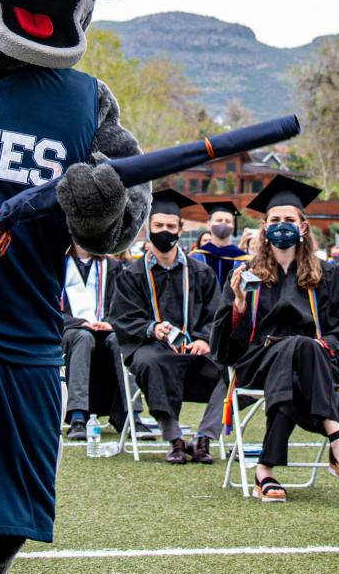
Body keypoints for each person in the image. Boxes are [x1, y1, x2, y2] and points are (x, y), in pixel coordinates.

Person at [213, 176, 339, 502]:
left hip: (311, 362)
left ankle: (264, 470)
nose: (282, 226)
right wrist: (239, 306)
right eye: (275, 221)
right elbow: (228, 346)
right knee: (298, 348)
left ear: (304, 227)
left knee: (300, 353)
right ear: (264, 226)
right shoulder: (246, 274)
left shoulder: (327, 274)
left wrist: (325, 348)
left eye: (289, 221)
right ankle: (337, 437)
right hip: (258, 359)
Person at [109, 189, 227, 464]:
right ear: (148, 229)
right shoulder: (132, 275)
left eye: (170, 226)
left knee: (229, 368)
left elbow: (217, 314)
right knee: (149, 360)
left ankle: (204, 438)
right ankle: (174, 439)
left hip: (195, 352)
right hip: (156, 350)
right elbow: (122, 318)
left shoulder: (201, 272)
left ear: (180, 228)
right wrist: (151, 329)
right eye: (158, 225)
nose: (165, 231)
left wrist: (206, 339)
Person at [61, 242, 132, 440]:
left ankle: (131, 416)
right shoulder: (58, 264)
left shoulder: (111, 266)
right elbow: (49, 306)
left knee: (119, 340)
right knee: (83, 337)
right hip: (69, 330)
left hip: (106, 329)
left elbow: (121, 304)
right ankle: (77, 417)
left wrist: (110, 323)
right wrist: (78, 322)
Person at [189, 200, 247, 286]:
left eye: (228, 221)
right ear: (209, 224)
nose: (223, 223)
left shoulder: (243, 259)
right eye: (219, 220)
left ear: (233, 226)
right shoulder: (196, 257)